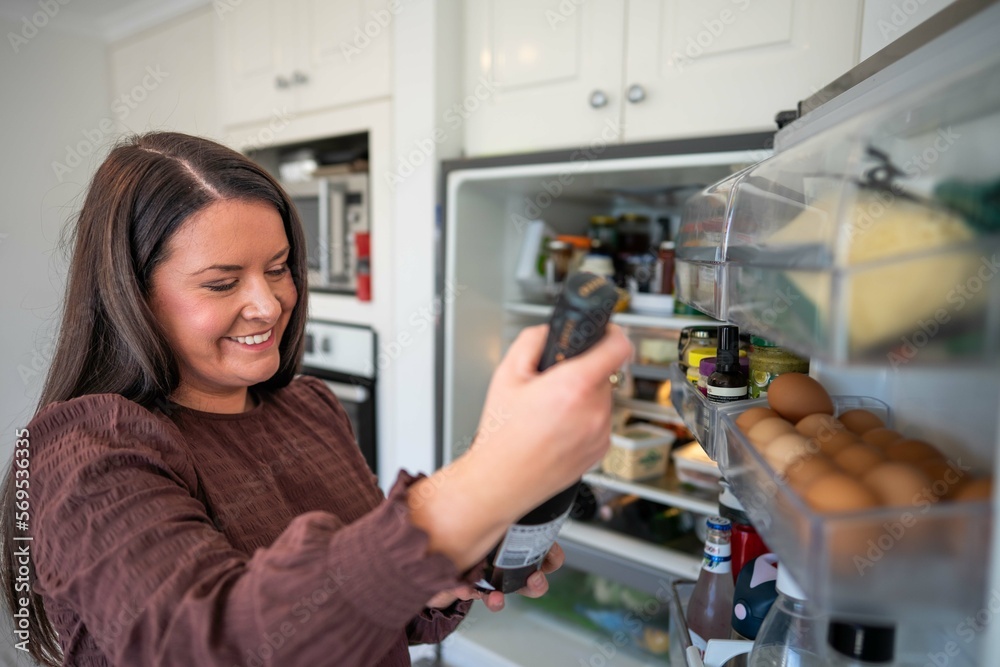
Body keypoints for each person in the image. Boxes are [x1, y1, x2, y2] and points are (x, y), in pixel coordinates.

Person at [0, 132, 632, 666]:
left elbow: (383, 617)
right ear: (131, 295)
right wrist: (480, 483)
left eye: (278, 268)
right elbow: (211, 645)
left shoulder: (308, 407)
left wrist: (463, 550)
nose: (269, 304)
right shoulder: (81, 449)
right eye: (222, 282)